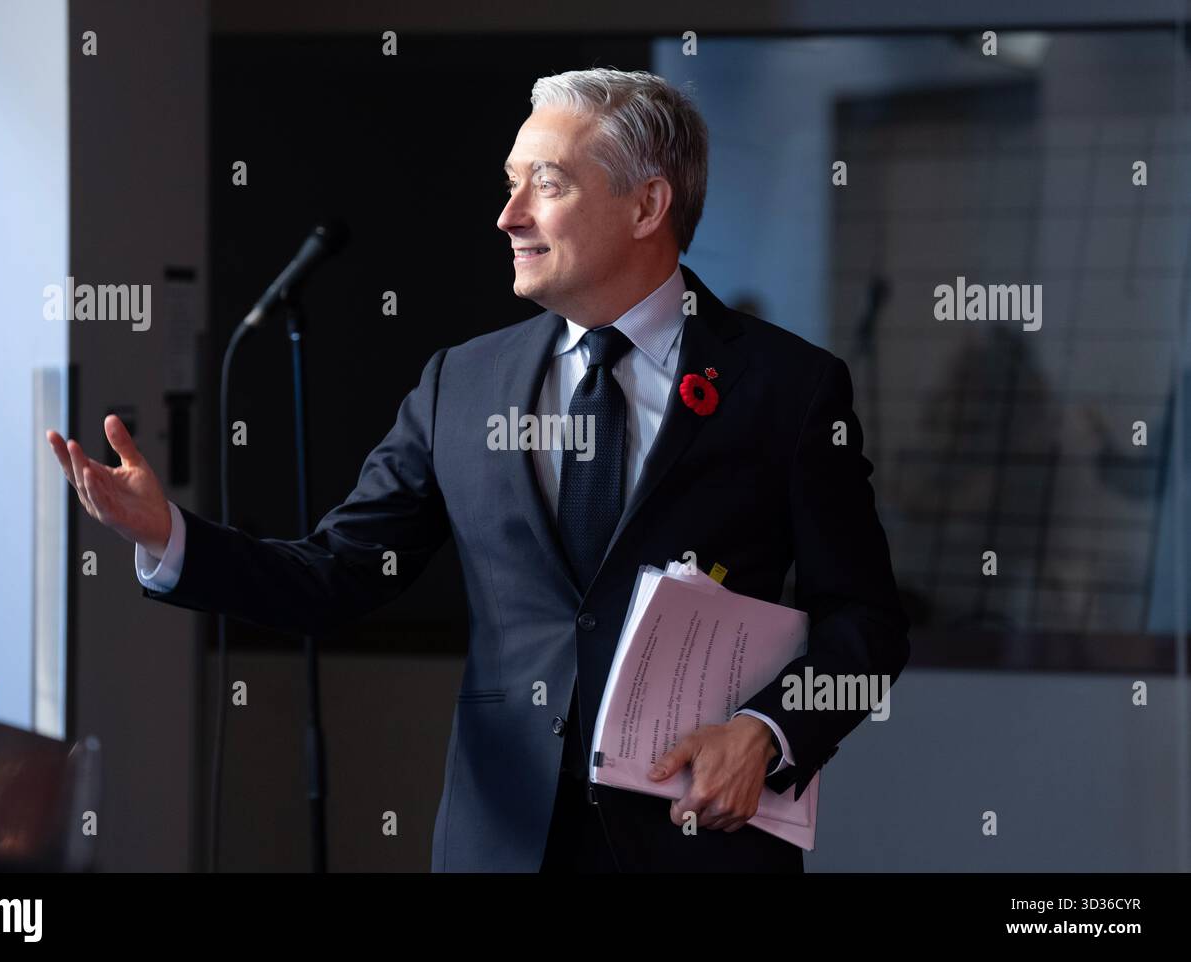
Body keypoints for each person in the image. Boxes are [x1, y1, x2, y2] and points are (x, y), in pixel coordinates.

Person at [47, 67, 909, 872]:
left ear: (649, 205)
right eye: (510, 182)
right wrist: (171, 538)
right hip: (499, 842)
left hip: (701, 848)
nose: (508, 216)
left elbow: (866, 622)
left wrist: (767, 732)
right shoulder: (460, 384)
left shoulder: (788, 388)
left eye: (548, 184)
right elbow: (338, 573)